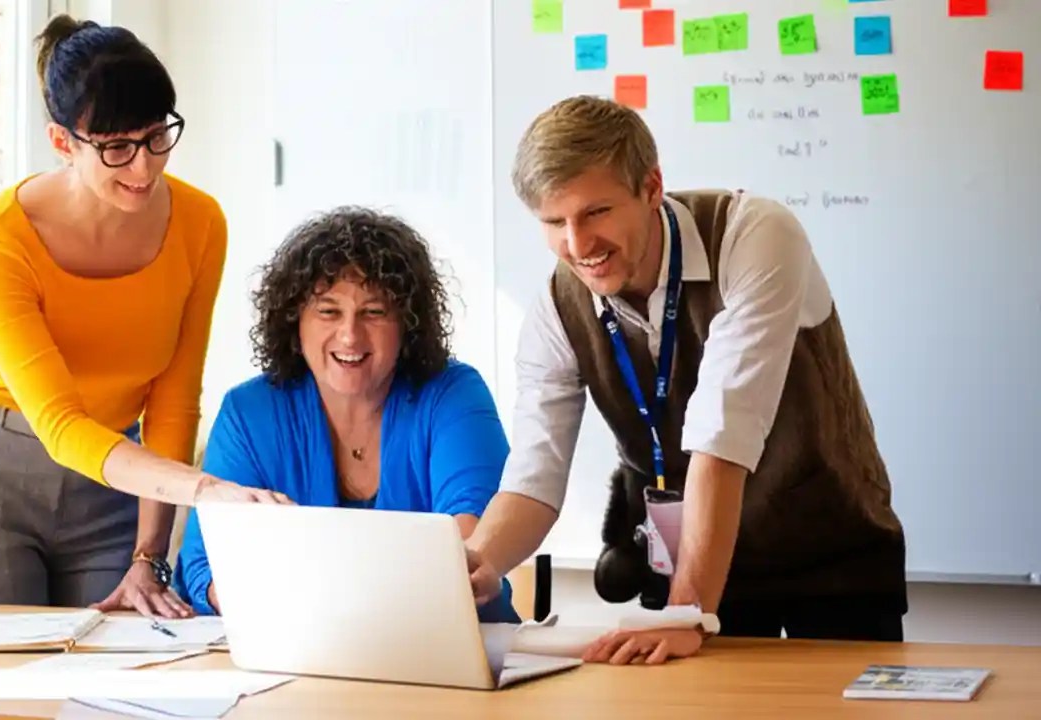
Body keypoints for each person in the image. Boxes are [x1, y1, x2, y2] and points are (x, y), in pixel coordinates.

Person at [465, 95, 907, 663]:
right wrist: (480, 564)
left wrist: (686, 613)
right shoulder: (557, 305)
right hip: (685, 567)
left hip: (828, 559)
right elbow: (534, 475)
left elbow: (724, 435)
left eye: (595, 212)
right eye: (555, 222)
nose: (577, 247)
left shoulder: (754, 235)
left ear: (652, 187)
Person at [0, 14, 285, 619]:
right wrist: (204, 490)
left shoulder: (200, 224)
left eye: (156, 136)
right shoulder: (0, 241)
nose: (144, 167)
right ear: (63, 142)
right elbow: (61, 426)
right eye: (116, 147)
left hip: (117, 479)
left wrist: (150, 554)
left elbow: (173, 399)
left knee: (112, 677)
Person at [171, 207, 520, 624]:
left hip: (450, 647)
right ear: (293, 321)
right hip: (292, 654)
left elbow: (468, 542)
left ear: (407, 324)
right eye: (328, 311)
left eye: (374, 312)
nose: (350, 335)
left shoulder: (454, 395)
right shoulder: (249, 413)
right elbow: (206, 566)